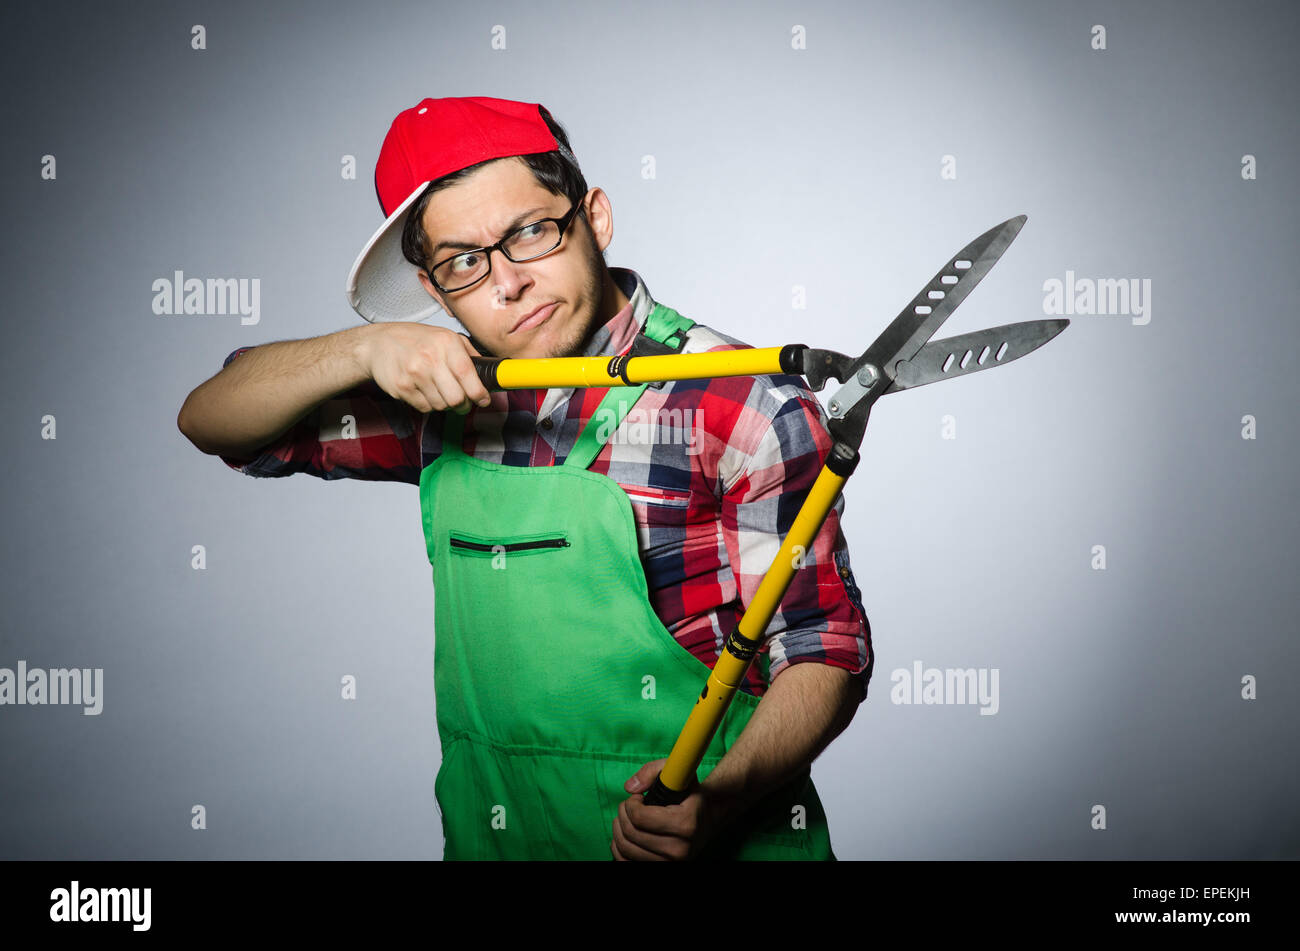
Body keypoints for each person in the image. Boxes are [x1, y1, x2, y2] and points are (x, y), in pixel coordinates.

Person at [177, 96, 873, 861]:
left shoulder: (738, 400)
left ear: (595, 218)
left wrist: (726, 793)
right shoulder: (438, 397)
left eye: (531, 232)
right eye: (465, 261)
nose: (507, 283)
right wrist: (357, 352)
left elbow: (823, 647)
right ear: (435, 289)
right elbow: (214, 417)